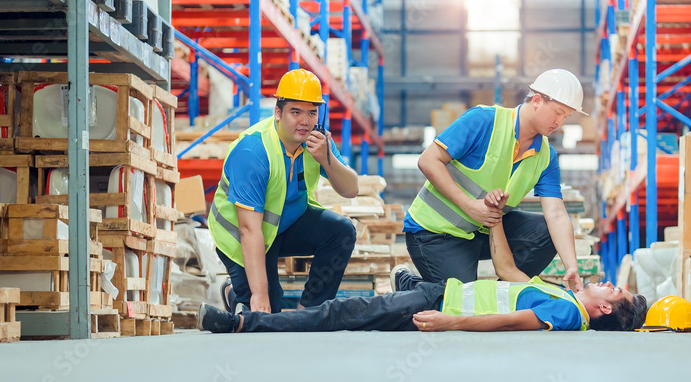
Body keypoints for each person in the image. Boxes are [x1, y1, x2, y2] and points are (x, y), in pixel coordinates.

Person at [199, 189, 648, 334]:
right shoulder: (564, 295)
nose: (608, 282)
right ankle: (406, 281)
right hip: (446, 292)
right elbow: (510, 275)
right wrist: (493, 222)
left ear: (606, 308)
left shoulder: (568, 312)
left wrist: (453, 325)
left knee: (346, 313)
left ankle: (245, 324)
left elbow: (511, 319)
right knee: (363, 306)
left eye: (613, 289)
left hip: (441, 309)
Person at [402, 68, 589, 292]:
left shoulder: (547, 156)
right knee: (458, 303)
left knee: (546, 231)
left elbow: (557, 214)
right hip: (434, 233)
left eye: (566, 117)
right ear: (537, 100)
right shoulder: (483, 120)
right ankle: (408, 283)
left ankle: (504, 295)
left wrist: (572, 266)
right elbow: (428, 160)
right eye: (558, 112)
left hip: (480, 232)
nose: (559, 122)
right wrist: (470, 206)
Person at [208, 68, 359, 314]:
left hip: (283, 225)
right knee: (266, 310)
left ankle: (309, 311)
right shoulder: (253, 150)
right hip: (241, 233)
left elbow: (351, 189)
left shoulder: (317, 142)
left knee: (341, 231)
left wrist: (327, 158)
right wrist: (259, 294)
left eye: (312, 112)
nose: (305, 121)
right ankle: (234, 293)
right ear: (278, 112)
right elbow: (249, 229)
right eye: (295, 112)